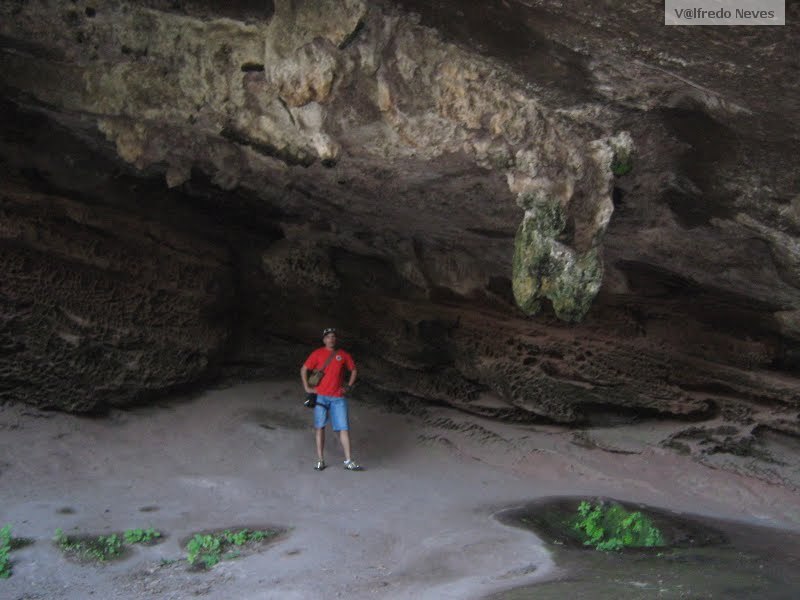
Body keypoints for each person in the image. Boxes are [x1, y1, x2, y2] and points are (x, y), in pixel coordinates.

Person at [300, 328, 361, 471]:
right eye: (328, 337)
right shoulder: (317, 353)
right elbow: (304, 369)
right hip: (321, 396)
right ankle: (320, 460)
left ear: (336, 339)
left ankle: (348, 460)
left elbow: (353, 370)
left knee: (343, 428)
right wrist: (307, 388)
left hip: (338, 397)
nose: (331, 339)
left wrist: (349, 386)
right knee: (320, 427)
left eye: (333, 337)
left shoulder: (343, 355)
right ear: (324, 340)